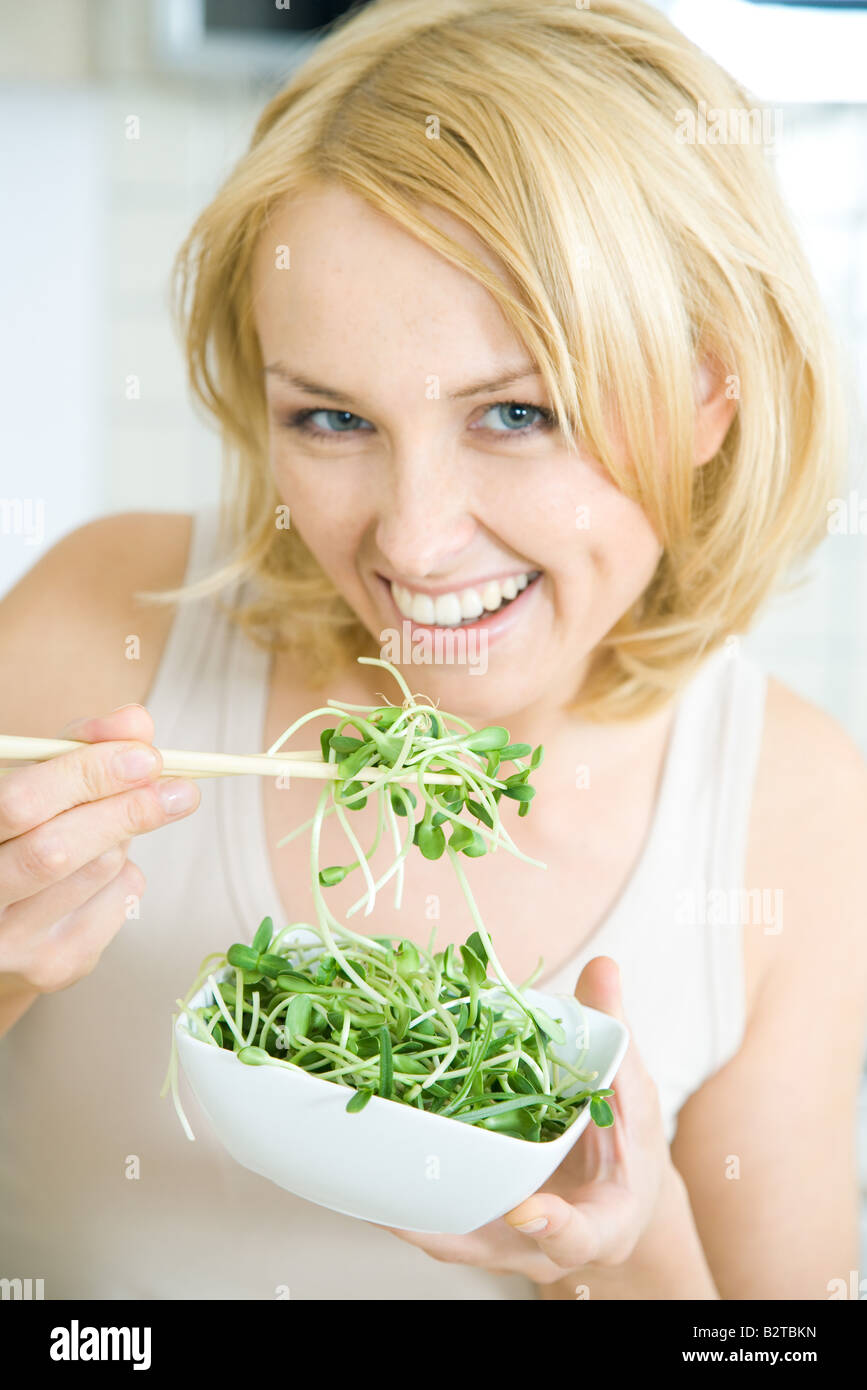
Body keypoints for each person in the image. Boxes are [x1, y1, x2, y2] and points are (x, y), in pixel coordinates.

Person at [1, 0, 865, 1300]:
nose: (412, 540)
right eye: (333, 417)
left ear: (706, 398)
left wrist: (619, 1258)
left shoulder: (789, 808)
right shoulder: (105, 615)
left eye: (517, 412)